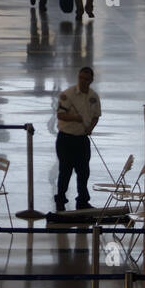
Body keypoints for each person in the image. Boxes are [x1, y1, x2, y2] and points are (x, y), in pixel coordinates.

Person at [54, 66, 101, 212]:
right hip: (66, 139)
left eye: (86, 79)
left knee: (83, 172)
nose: (83, 81)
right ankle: (60, 201)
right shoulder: (68, 95)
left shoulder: (93, 97)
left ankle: (82, 201)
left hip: (82, 139)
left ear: (91, 80)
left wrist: (90, 128)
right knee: (65, 171)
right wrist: (75, 117)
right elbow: (60, 115)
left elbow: (95, 117)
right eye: (81, 78)